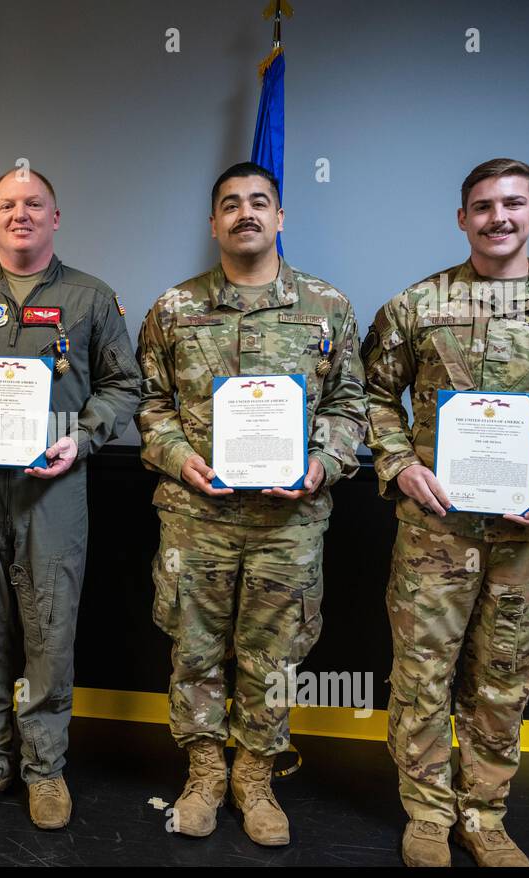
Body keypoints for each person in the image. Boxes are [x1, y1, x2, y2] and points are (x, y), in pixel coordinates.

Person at [363, 158, 529, 866]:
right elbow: (370, 397)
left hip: (526, 542)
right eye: (482, 206)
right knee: (421, 677)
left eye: (513, 203)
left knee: (503, 678)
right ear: (462, 219)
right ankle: (427, 814)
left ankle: (483, 815)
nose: (498, 218)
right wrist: (401, 464)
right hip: (433, 536)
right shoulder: (417, 307)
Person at [137, 161, 367, 843]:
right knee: (195, 649)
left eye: (259, 202)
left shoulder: (328, 308)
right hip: (196, 517)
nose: (246, 213)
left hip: (288, 522)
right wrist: (181, 459)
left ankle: (256, 779)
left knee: (275, 656)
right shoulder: (174, 308)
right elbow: (150, 406)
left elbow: (352, 407)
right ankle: (205, 774)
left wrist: (320, 466)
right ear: (213, 224)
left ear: (281, 218)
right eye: (231, 204)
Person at [0, 168, 139, 829]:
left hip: (55, 490)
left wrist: (83, 437)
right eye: (7, 205)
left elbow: (123, 386)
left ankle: (44, 768)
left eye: (34, 204)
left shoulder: (91, 298)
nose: (21, 214)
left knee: (50, 632)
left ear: (56, 216)